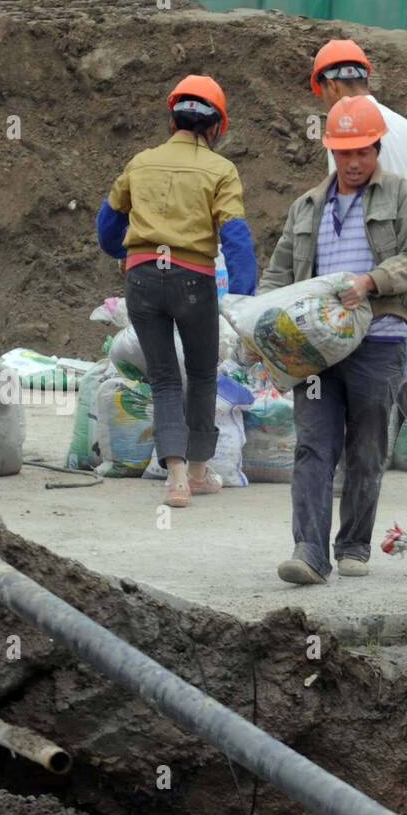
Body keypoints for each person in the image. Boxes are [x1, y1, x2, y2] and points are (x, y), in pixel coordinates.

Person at [260, 95, 407, 585]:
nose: (354, 162)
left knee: (366, 449)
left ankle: (354, 545)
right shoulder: (307, 207)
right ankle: (309, 552)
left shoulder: (402, 196)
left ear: (377, 149)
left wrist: (371, 282)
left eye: (363, 152)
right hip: (314, 350)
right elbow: (278, 274)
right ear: (331, 153)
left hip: (378, 341)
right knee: (313, 447)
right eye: (344, 153)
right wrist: (259, 325)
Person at [96, 75, 257, 509]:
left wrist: (123, 249)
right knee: (202, 373)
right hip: (192, 279)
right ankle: (201, 471)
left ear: (173, 120)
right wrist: (242, 298)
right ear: (216, 127)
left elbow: (108, 226)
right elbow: (236, 236)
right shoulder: (222, 170)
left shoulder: (140, 162)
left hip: (143, 278)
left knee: (165, 377)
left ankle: (177, 481)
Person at [309, 39, 407, 489]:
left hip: (367, 263)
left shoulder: (347, 128)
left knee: (350, 357)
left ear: (330, 85)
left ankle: (341, 472)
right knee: (389, 355)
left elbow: (339, 204)